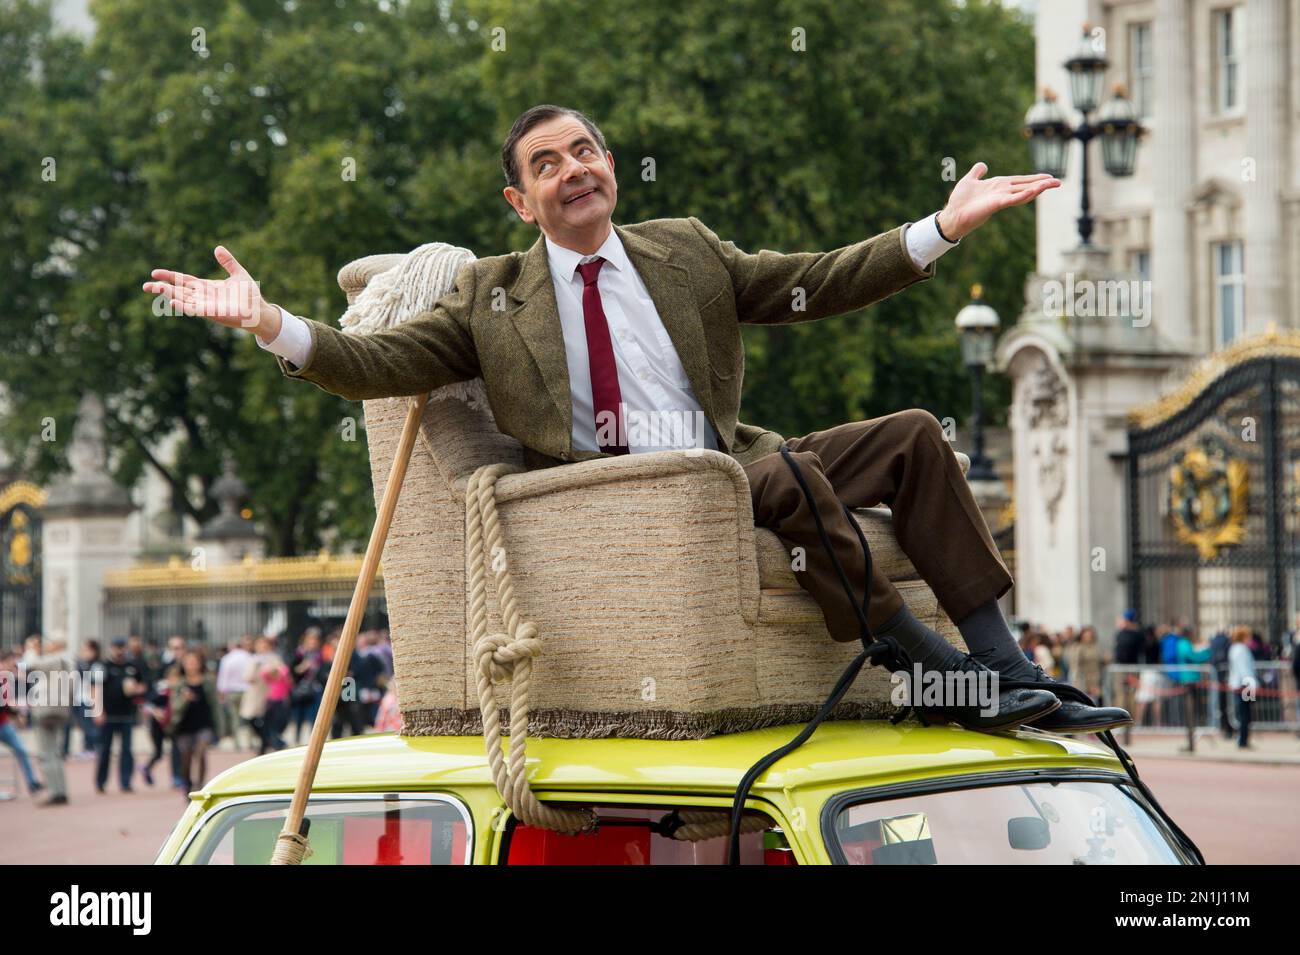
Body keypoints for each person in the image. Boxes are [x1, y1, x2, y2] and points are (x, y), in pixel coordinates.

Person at [143, 103, 1132, 734]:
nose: (574, 168)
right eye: (547, 163)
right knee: (773, 476)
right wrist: (269, 321)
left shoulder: (684, 249)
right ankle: (918, 663)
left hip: (726, 462)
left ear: (609, 165)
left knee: (915, 432)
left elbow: (812, 283)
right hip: (613, 495)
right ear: (521, 200)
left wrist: (940, 228)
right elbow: (372, 363)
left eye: (585, 149)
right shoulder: (489, 297)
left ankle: (996, 659)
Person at [22, 636, 75, 807]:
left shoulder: (55, 659)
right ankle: (61, 790)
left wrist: (31, 648)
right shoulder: (70, 661)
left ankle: (55, 792)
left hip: (46, 709)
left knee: (46, 753)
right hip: (62, 709)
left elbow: (29, 664)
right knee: (56, 752)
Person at [91, 637, 145, 794]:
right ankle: (101, 782)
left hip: (127, 714)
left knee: (127, 750)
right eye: (116, 647)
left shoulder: (132, 666)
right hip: (108, 715)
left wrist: (135, 689)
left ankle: (125, 781)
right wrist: (98, 711)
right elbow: (95, 689)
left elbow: (143, 685)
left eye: (122, 647)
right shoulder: (102, 666)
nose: (119, 650)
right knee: (105, 750)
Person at [167, 647, 224, 793]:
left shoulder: (208, 681)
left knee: (200, 752)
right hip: (184, 726)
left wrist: (220, 727)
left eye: (194, 662)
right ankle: (187, 784)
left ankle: (200, 786)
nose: (191, 665)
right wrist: (185, 699)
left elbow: (215, 705)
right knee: (186, 758)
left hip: (204, 724)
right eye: (188, 662)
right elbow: (174, 707)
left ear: (200, 664)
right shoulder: (179, 683)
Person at [0, 649, 44, 798]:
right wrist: (17, 713)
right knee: (21, 750)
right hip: (4, 721)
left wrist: (16, 713)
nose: (14, 666)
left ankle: (32, 783)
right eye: (12, 663)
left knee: (22, 750)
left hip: (3, 723)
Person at [216, 635, 254, 749]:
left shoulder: (227, 659)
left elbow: (223, 677)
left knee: (234, 718)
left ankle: (237, 742)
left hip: (232, 691)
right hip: (246, 690)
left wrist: (221, 692)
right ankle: (249, 741)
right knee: (247, 717)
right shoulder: (248, 657)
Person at [289, 629, 326, 745]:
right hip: (301, 689)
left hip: (315, 689)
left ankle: (314, 740)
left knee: (315, 716)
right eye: (310, 640)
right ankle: (297, 738)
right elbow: (292, 671)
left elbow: (324, 671)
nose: (313, 643)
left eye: (315, 640)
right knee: (299, 715)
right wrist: (303, 667)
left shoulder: (320, 655)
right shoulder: (299, 654)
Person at [1227, 624, 1257, 749]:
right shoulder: (1241, 650)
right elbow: (1245, 670)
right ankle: (1243, 740)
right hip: (1245, 685)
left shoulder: (1236, 648)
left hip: (1241, 684)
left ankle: (1243, 739)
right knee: (1245, 714)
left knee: (1244, 714)